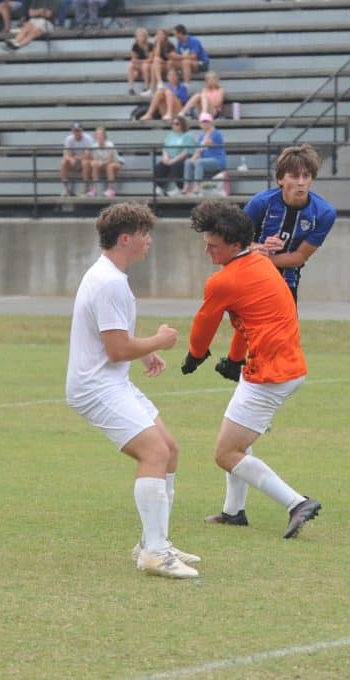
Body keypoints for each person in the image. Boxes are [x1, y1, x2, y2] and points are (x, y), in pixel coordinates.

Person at [65, 202, 200, 579]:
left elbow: (116, 340)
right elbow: (117, 349)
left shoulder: (111, 277)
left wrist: (144, 356)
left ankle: (153, 541)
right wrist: (158, 342)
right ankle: (155, 553)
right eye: (144, 234)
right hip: (95, 387)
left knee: (169, 449)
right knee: (154, 451)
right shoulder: (108, 282)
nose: (149, 242)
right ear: (126, 239)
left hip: (112, 380)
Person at [181, 200, 321, 539]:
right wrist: (233, 359)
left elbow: (205, 322)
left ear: (234, 243)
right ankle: (234, 512)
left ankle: (296, 503)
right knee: (237, 439)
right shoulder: (258, 263)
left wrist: (195, 355)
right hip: (281, 365)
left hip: (270, 374)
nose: (207, 250)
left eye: (213, 244)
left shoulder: (224, 281)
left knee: (226, 453)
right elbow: (248, 321)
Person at [243, 143, 336, 304]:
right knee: (250, 328)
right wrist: (257, 248)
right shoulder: (260, 203)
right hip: (252, 276)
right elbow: (234, 242)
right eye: (294, 176)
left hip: (287, 282)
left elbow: (299, 256)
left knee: (285, 329)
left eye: (306, 176)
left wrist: (267, 258)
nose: (301, 182)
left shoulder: (324, 213)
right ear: (280, 179)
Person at [182, 112, 225, 196]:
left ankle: (197, 186)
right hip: (205, 160)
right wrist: (193, 158)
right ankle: (186, 185)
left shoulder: (216, 133)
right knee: (188, 162)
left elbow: (207, 143)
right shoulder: (201, 136)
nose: (205, 123)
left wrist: (196, 156)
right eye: (203, 121)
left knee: (199, 162)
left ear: (211, 122)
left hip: (217, 160)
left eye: (207, 121)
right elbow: (198, 150)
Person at [153, 114, 194, 196]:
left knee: (177, 166)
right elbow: (165, 149)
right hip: (170, 158)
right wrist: (165, 157)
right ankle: (158, 188)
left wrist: (173, 160)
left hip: (181, 159)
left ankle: (180, 188)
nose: (174, 126)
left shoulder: (188, 136)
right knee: (159, 167)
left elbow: (186, 152)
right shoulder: (170, 136)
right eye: (173, 124)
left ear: (182, 125)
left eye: (177, 124)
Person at [86, 126, 124, 198]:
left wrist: (100, 163)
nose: (99, 136)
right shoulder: (94, 146)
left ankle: (111, 190)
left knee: (109, 166)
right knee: (94, 164)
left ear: (104, 136)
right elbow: (95, 159)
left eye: (100, 134)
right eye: (97, 134)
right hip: (103, 164)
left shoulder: (110, 145)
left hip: (116, 163)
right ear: (95, 136)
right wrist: (96, 163)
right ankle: (94, 189)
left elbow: (110, 160)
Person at [59, 121, 94, 197]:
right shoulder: (69, 139)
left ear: (82, 131)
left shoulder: (88, 138)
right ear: (72, 131)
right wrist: (71, 158)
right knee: (63, 162)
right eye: (75, 130)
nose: (76, 133)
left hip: (85, 161)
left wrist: (75, 157)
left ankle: (86, 189)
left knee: (85, 162)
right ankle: (66, 189)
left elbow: (88, 154)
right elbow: (66, 153)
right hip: (74, 162)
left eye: (78, 130)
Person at [125, 27, 152, 95]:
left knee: (145, 66)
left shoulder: (150, 45)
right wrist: (142, 61)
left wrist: (140, 61)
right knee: (131, 65)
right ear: (136, 37)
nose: (141, 37)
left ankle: (146, 87)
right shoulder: (135, 46)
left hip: (148, 66)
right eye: (139, 36)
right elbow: (133, 59)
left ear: (145, 37)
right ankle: (131, 88)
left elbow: (150, 59)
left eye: (142, 36)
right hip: (140, 66)